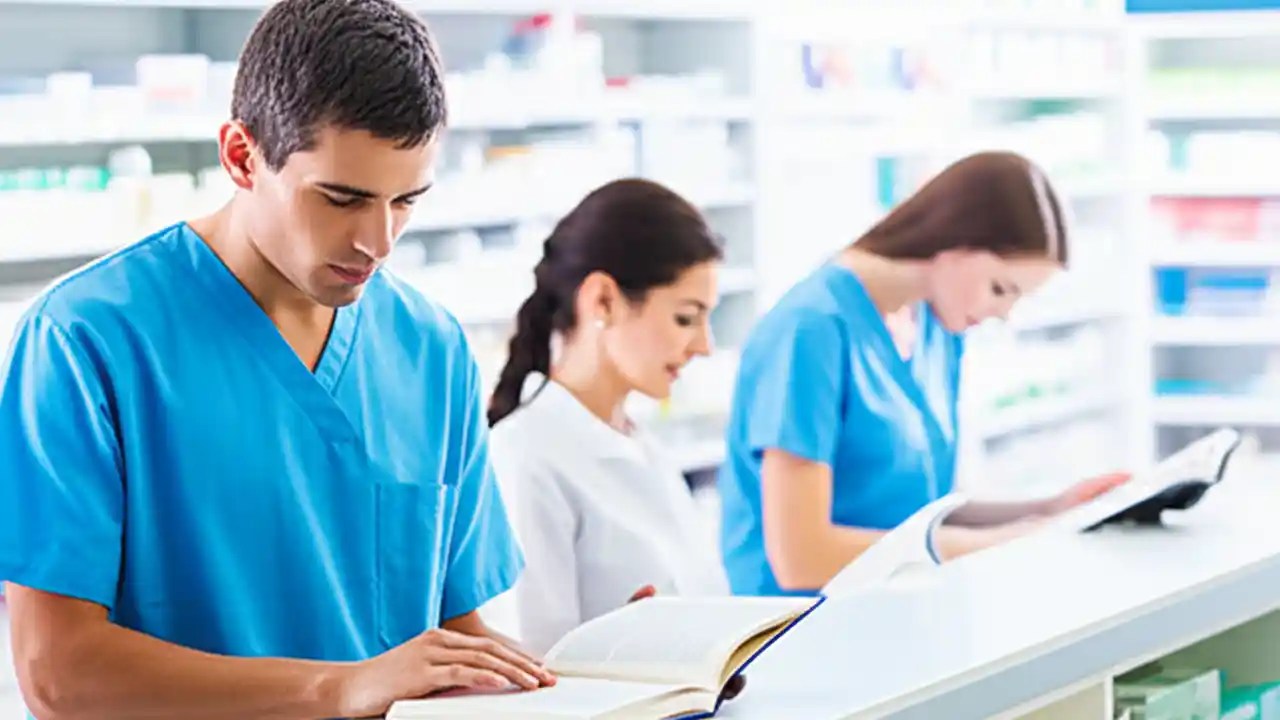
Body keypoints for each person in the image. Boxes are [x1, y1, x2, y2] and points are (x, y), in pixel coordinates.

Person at [0, 1, 556, 718]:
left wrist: (597, 675)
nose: (378, 242)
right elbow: (59, 674)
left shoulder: (432, 349)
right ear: (242, 156)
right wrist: (339, 687)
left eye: (405, 201)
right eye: (341, 199)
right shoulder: (87, 340)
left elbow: (451, 641)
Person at [718, 151, 1130, 597]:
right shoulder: (810, 330)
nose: (1004, 314)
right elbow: (803, 558)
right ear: (953, 241)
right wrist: (1003, 545)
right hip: (800, 625)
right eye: (999, 289)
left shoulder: (935, 325)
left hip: (897, 608)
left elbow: (920, 519)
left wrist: (1053, 511)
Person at [483, 178, 730, 656]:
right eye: (686, 317)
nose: (704, 345)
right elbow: (537, 663)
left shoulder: (645, 449)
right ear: (603, 300)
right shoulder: (525, 456)